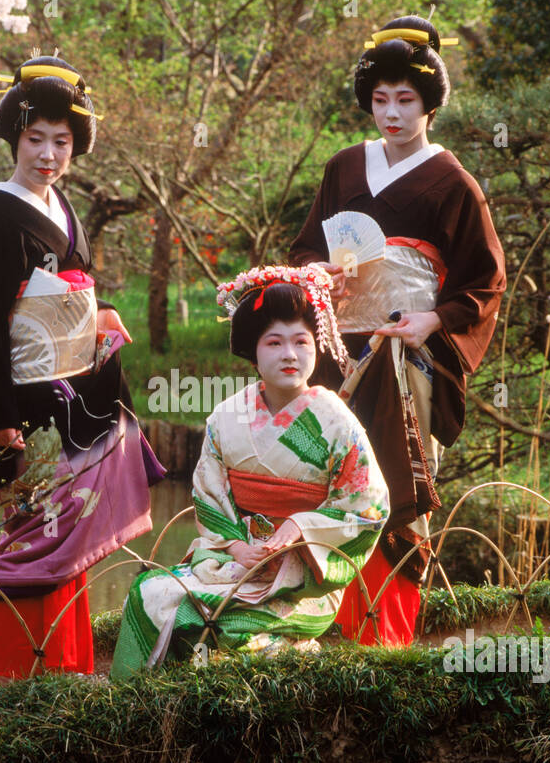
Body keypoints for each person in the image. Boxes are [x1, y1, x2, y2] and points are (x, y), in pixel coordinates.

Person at [0, 53, 165, 692]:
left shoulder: (62, 205)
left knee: (72, 524)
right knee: (38, 530)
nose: (47, 154)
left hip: (77, 390)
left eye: (61, 142)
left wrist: (100, 320)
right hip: (22, 398)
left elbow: (76, 292)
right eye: (35, 139)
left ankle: (59, 659)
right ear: (14, 137)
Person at [289, 14, 507, 645]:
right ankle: (323, 624)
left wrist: (433, 319)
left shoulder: (454, 182)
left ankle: (390, 634)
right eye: (380, 99)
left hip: (406, 351)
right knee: (328, 477)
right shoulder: (343, 168)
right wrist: (318, 272)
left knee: (397, 479)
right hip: (337, 349)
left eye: (406, 100)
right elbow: (304, 250)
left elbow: (485, 281)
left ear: (430, 104)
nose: (391, 113)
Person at [110, 266, 389, 679]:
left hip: (301, 573)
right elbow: (210, 497)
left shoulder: (337, 420)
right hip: (236, 561)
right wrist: (239, 549)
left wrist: (297, 528)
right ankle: (135, 701)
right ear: (253, 351)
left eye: (301, 342)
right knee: (148, 593)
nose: (289, 354)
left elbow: (367, 507)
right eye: (274, 342)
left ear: (318, 347)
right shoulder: (227, 417)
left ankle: (275, 654)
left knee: (230, 631)